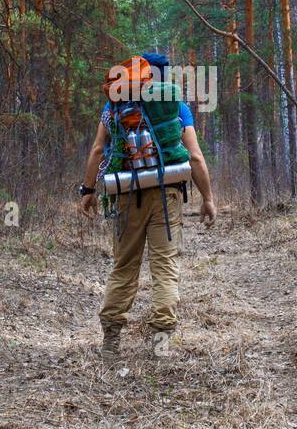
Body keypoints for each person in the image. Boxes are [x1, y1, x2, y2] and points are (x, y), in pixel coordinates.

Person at [77, 54, 216, 360]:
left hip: (126, 194)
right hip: (166, 195)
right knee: (164, 266)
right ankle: (161, 344)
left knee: (124, 266)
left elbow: (99, 149)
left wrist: (87, 190)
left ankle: (111, 342)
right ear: (162, 78)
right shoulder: (175, 107)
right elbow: (194, 157)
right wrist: (207, 198)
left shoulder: (115, 105)